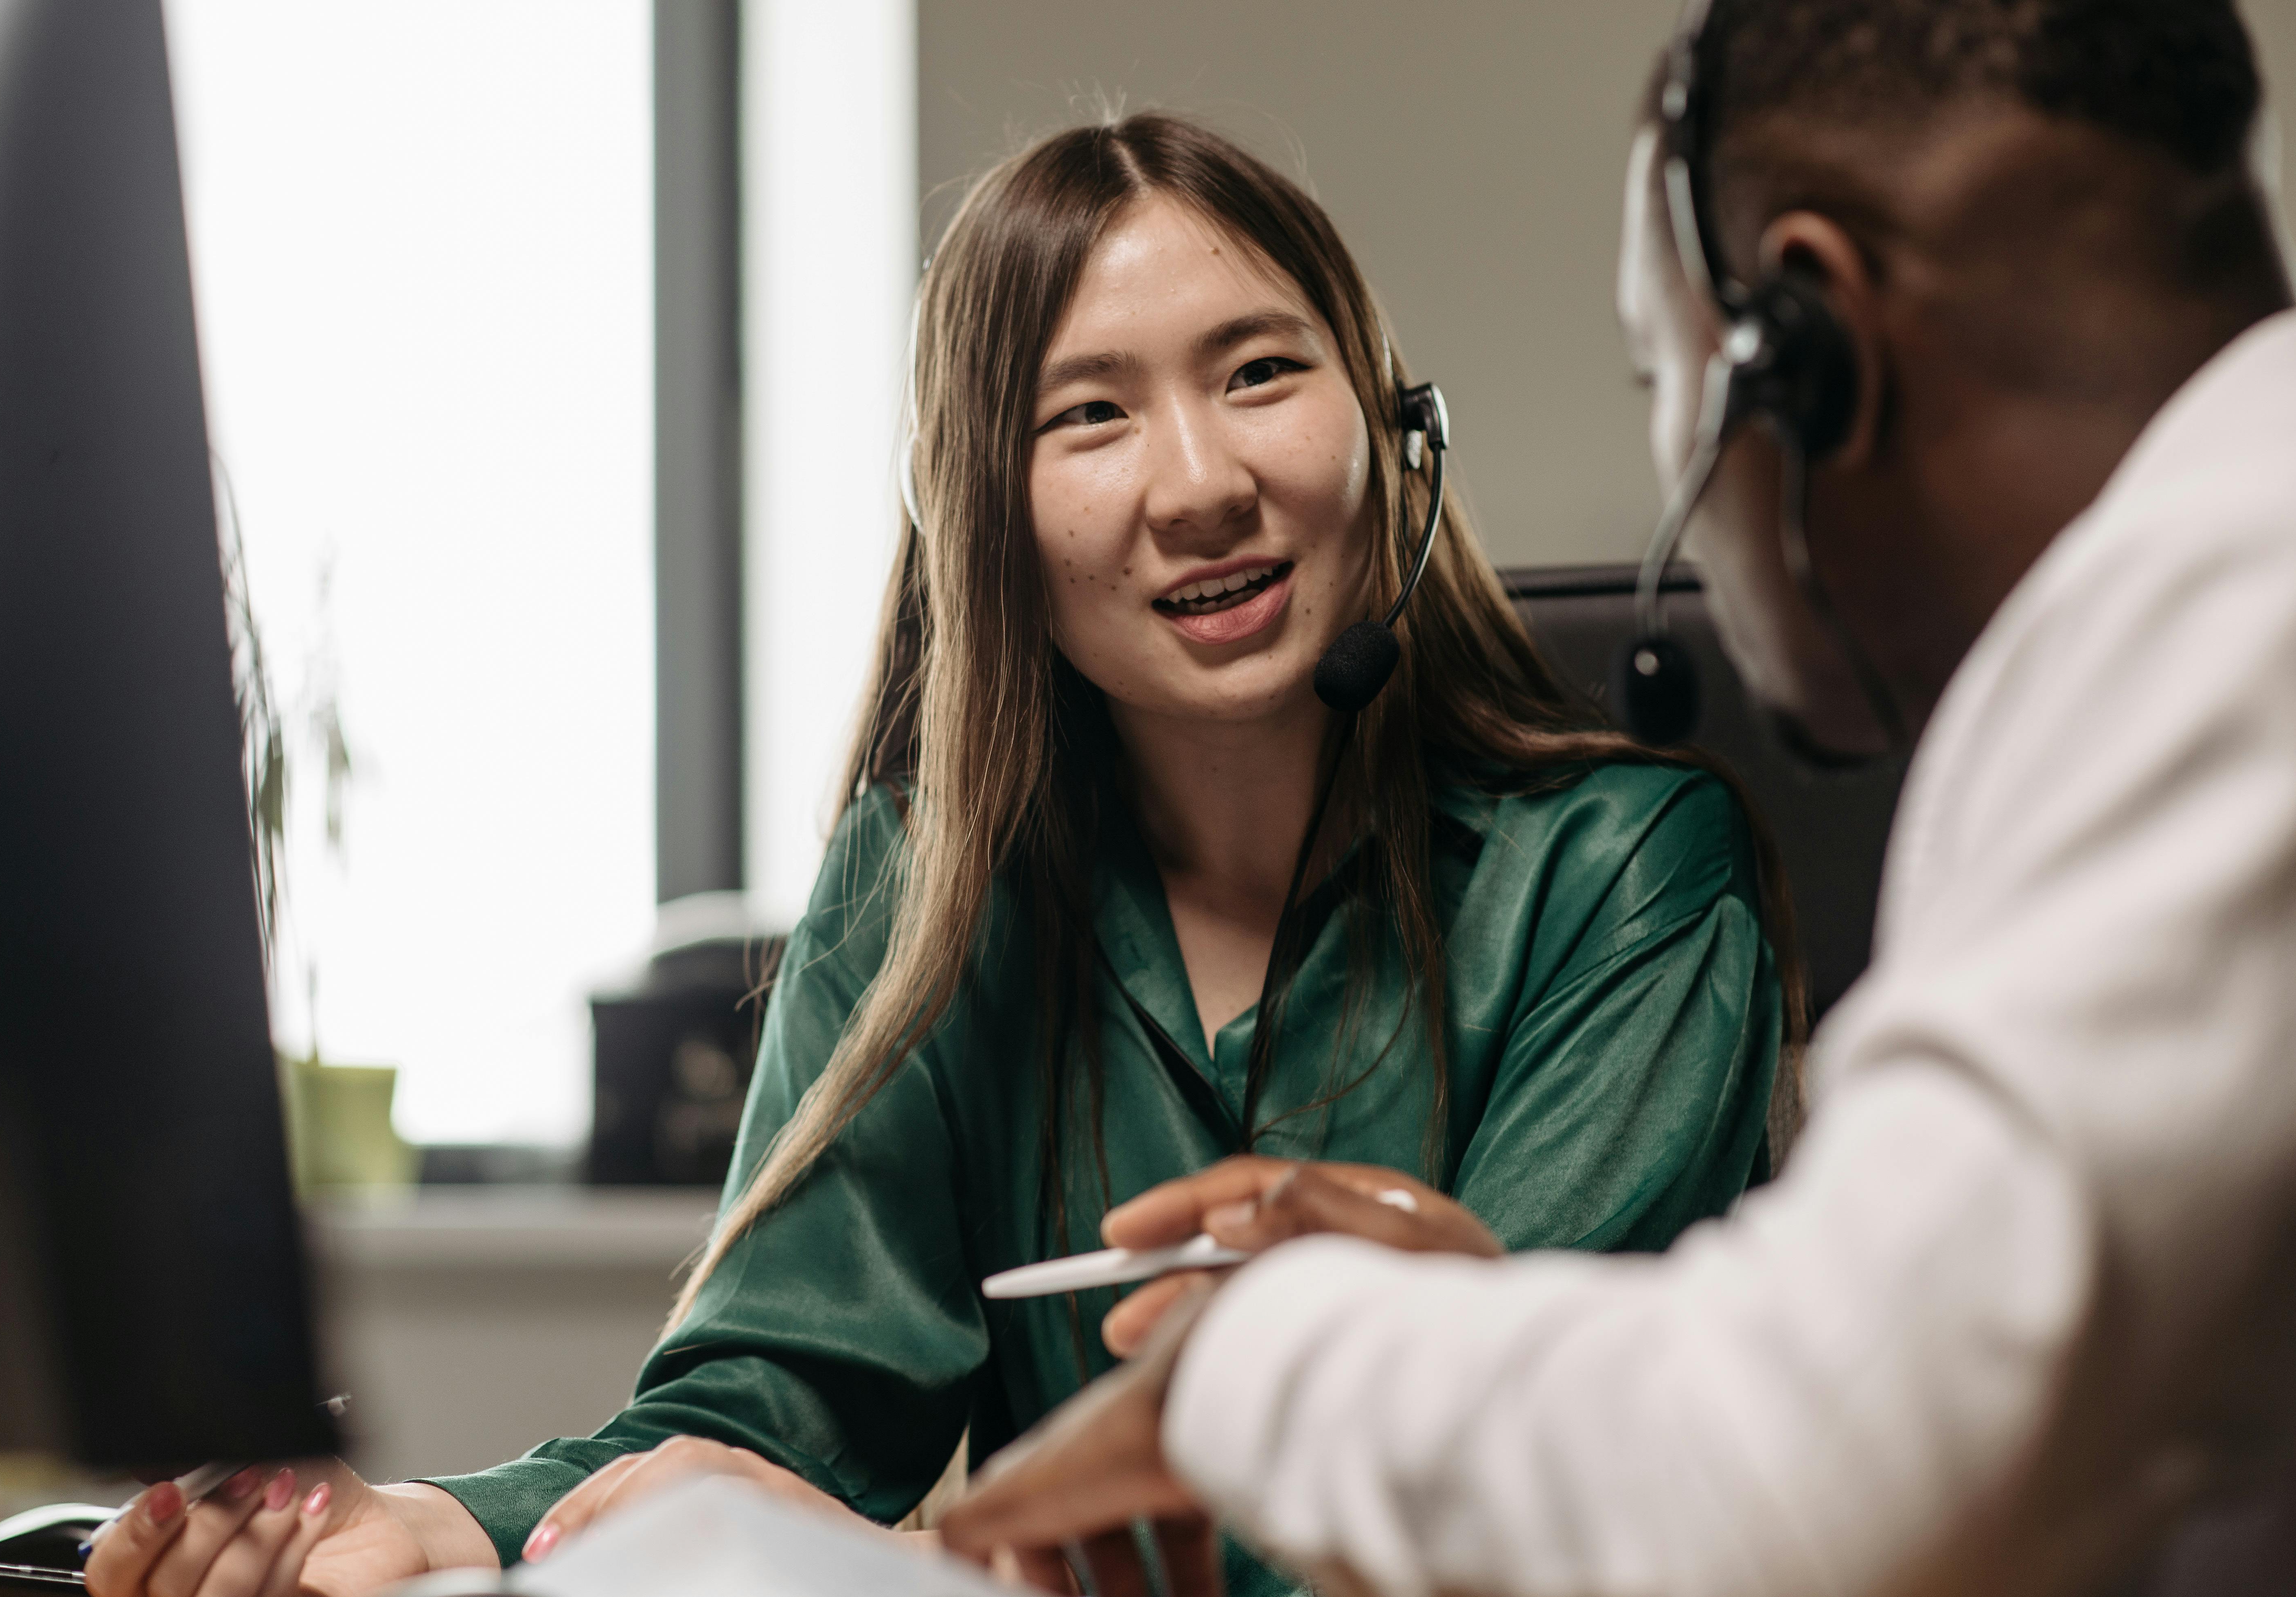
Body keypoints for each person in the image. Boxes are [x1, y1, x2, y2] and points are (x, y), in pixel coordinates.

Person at [81, 113, 1802, 1597]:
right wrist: (434, 1522)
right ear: (987, 521)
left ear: (1386, 430)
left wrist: (933, 1563)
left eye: (1262, 372)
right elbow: (771, 1412)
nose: (1201, 482)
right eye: (1090, 416)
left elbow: (1503, 1473)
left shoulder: (1632, 875)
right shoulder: (928, 892)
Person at [937, 2, 2296, 1594]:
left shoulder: (2231, 611)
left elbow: (1806, 1482)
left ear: (1809, 349)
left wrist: (1251, 1361)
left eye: (1662, 375)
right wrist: (1478, 1335)